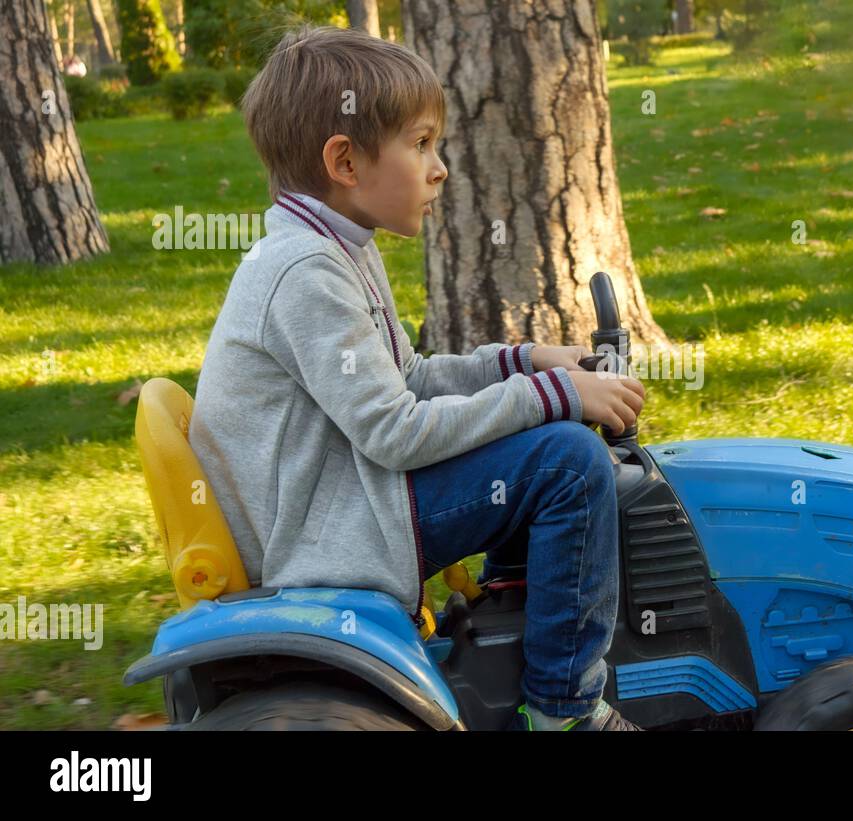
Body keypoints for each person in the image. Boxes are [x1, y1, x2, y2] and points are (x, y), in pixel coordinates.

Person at [189, 25, 645, 731]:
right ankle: (566, 708)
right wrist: (551, 398)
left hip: (343, 500)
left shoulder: (333, 247)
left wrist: (525, 362)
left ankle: (510, 622)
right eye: (422, 144)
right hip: (333, 531)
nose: (441, 168)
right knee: (571, 463)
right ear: (345, 160)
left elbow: (408, 377)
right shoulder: (307, 273)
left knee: (550, 440)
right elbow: (394, 431)